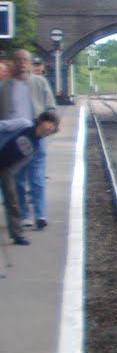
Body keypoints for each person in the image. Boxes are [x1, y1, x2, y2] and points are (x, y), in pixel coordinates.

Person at [2, 49, 54, 228]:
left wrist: (51, 125)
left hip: (36, 135)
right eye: (18, 60)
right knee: (18, 178)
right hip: (13, 139)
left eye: (25, 60)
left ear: (30, 63)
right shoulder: (5, 87)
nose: (22, 63)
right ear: (14, 63)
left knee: (37, 177)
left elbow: (50, 107)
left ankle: (40, 215)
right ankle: (24, 214)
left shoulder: (39, 82)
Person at [1, 109, 60, 246]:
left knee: (12, 202)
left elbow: (20, 162)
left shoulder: (37, 146)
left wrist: (9, 173)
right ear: (40, 120)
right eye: (49, 123)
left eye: (53, 127)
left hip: (6, 169)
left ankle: (18, 235)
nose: (50, 127)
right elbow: (2, 126)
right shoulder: (23, 125)